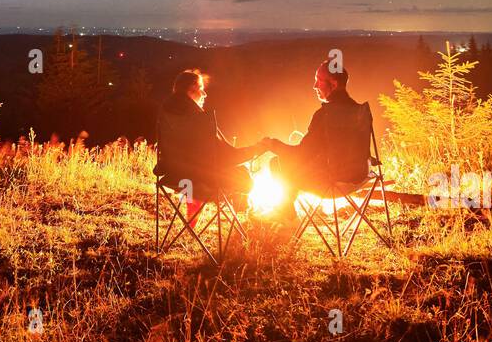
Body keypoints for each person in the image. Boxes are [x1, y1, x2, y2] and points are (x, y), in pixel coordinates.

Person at [261, 59, 374, 217]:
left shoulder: (324, 116)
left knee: (277, 163)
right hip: (361, 176)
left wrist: (273, 145)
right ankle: (285, 215)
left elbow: (300, 155)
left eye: (318, 81)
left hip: (332, 181)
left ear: (333, 84)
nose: (315, 86)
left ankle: (287, 218)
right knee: (296, 165)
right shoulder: (360, 112)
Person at [154, 68, 254, 226]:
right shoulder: (199, 120)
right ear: (191, 89)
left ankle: (193, 202)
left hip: (174, 175)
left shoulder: (167, 113)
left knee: (199, 169)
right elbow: (228, 156)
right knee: (244, 175)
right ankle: (244, 217)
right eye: (201, 89)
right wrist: (258, 149)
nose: (205, 94)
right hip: (199, 179)